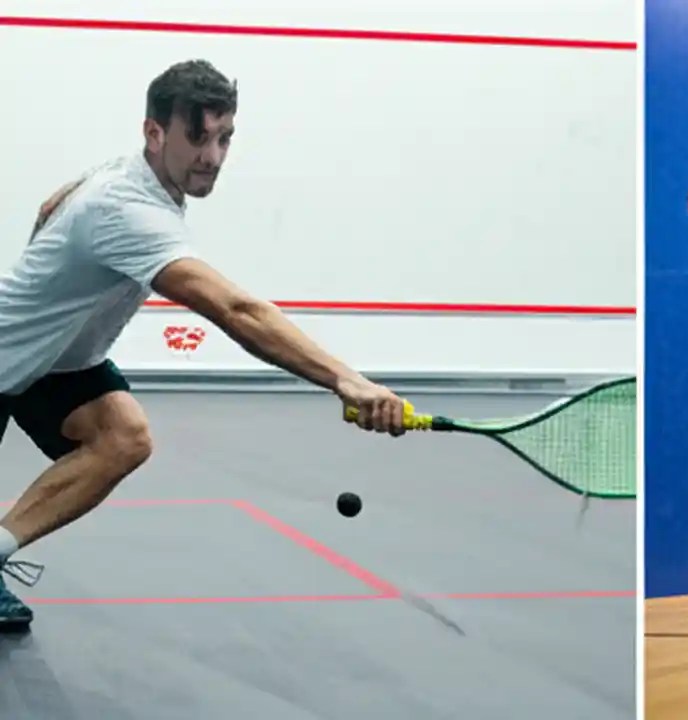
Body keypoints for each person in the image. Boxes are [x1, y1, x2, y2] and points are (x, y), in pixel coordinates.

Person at [0, 59, 410, 630]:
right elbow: (236, 310)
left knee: (124, 437)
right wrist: (346, 378)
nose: (213, 157)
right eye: (198, 138)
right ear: (155, 132)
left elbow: (51, 204)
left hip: (57, 364)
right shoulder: (128, 210)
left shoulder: (130, 176)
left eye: (224, 138)